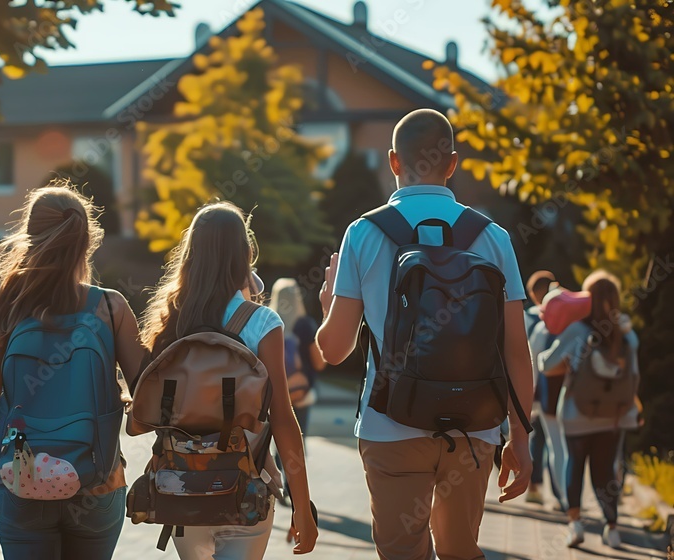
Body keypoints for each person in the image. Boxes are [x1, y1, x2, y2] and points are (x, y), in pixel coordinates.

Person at [315, 108, 533, 559]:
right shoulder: (493, 237)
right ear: (452, 164)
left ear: (394, 161)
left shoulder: (363, 233)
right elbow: (516, 350)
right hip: (475, 426)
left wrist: (325, 306)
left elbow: (334, 350)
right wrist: (521, 437)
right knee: (459, 551)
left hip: (391, 422)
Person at [0, 182, 145, 560]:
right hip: (97, 482)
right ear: (86, 242)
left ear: (30, 239)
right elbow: (147, 405)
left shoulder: (9, 306)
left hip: (23, 477)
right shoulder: (111, 308)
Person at [139, 202, 318, 558]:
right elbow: (283, 417)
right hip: (244, 486)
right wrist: (302, 505)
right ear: (246, 255)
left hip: (181, 488)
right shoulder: (261, 322)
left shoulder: (171, 320)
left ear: (191, 254)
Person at [538, 270, 639, 549]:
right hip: (614, 415)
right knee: (605, 471)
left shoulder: (577, 330)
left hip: (575, 413)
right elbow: (635, 376)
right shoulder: (628, 334)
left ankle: (576, 525)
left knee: (575, 465)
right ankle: (613, 527)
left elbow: (546, 365)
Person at [269, 278, 325, 503]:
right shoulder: (305, 325)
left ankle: (278, 482)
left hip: (273, 393)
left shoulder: (267, 322)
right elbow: (319, 363)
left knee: (276, 438)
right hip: (301, 393)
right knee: (298, 439)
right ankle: (293, 487)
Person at [524, 270, 566, 509]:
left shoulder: (531, 319)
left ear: (533, 294)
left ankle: (534, 487)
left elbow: (528, 361)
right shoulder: (572, 322)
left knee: (534, 440)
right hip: (562, 394)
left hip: (538, 393)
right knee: (557, 445)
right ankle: (563, 497)